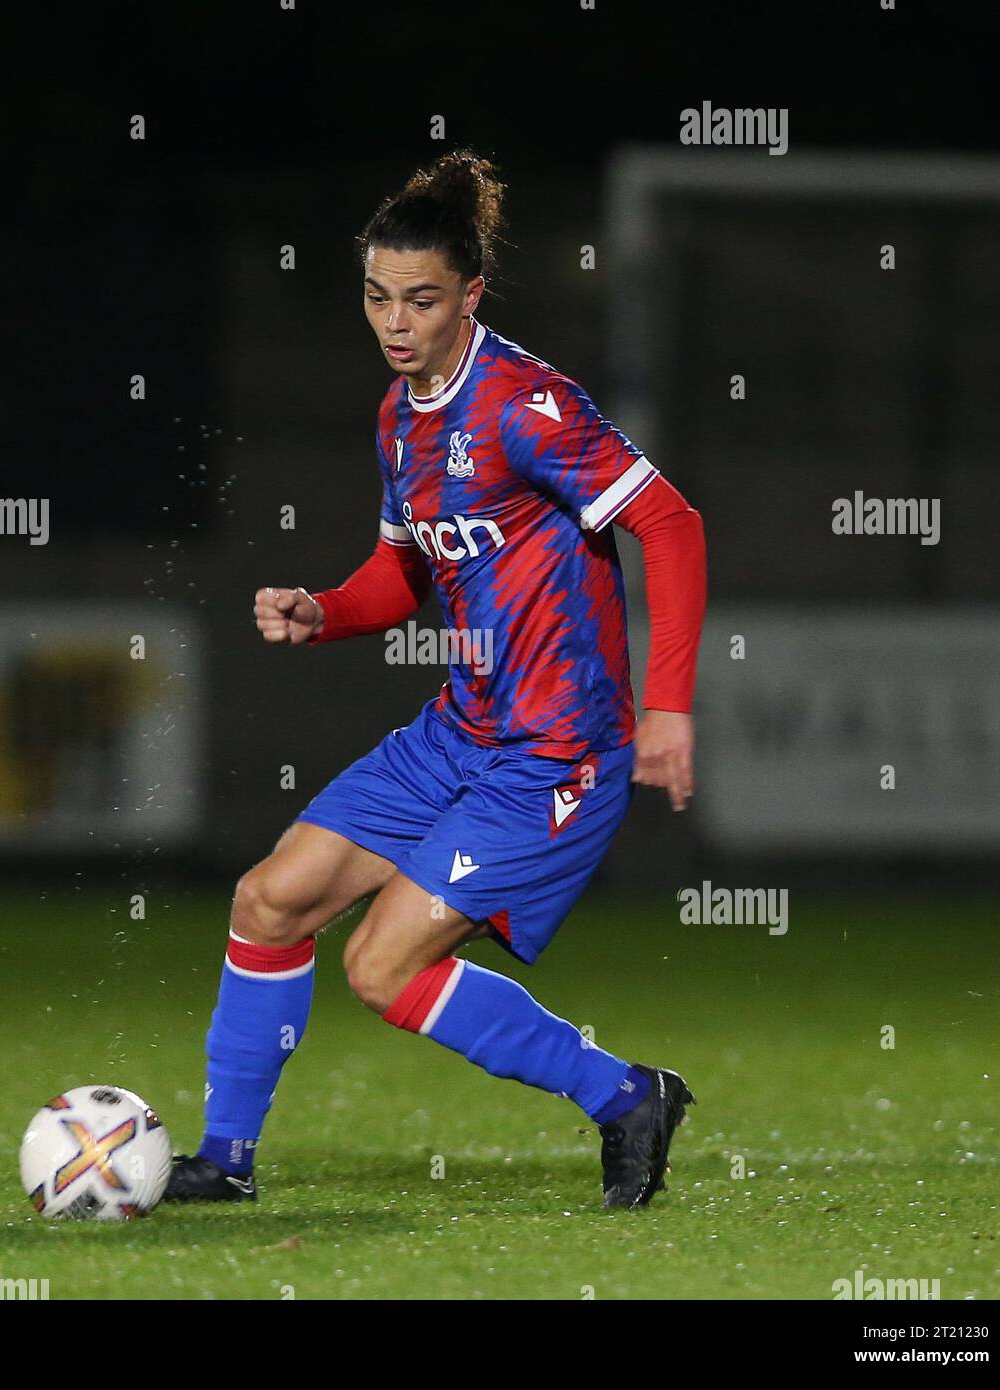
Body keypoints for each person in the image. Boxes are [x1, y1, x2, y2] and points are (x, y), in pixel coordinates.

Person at [167, 149, 707, 1210]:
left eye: (421, 298)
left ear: (471, 294)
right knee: (271, 900)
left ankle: (627, 1093)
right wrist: (326, 609)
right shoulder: (399, 416)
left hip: (558, 749)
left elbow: (671, 521)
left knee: (379, 966)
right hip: (461, 730)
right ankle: (225, 1162)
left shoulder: (524, 405)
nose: (395, 321)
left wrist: (674, 702)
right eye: (377, 296)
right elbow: (403, 572)